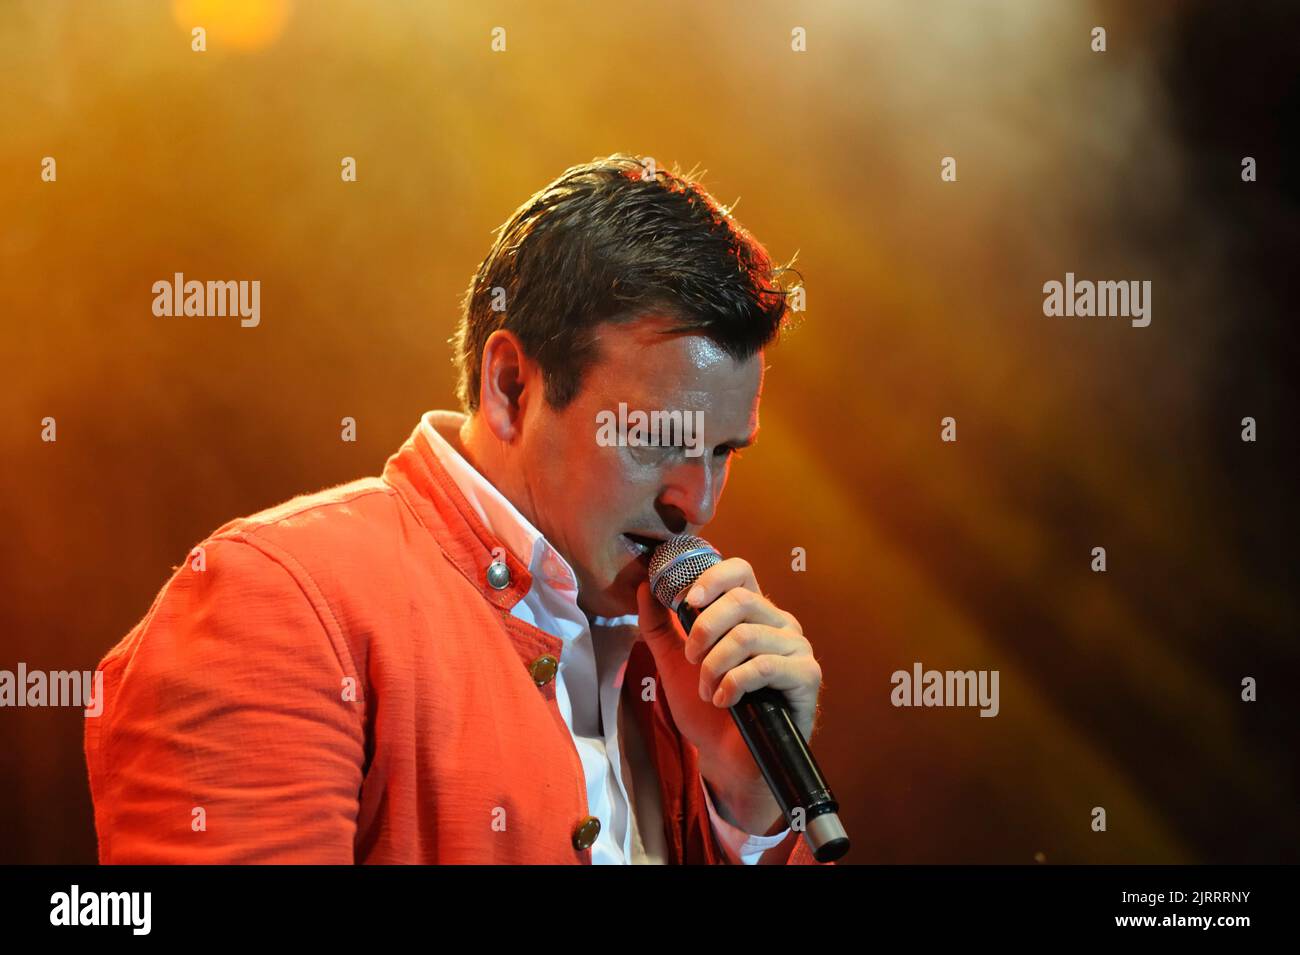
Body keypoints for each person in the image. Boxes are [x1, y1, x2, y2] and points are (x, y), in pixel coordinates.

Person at [85, 154, 828, 864]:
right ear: (510, 386)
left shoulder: (686, 671)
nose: (695, 501)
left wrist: (751, 803)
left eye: (726, 451)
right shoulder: (278, 599)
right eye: (656, 438)